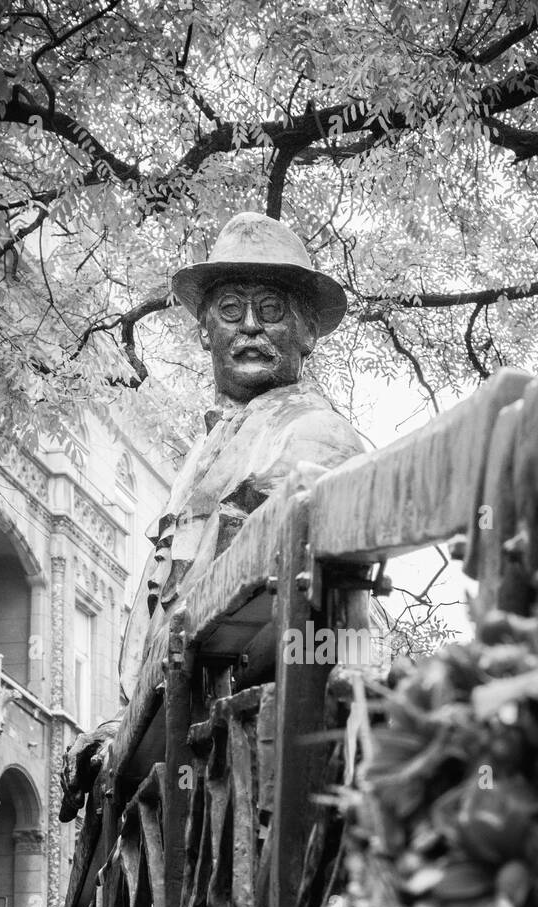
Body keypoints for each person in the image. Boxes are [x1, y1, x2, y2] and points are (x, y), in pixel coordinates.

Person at [59, 212, 366, 820]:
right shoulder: (200, 459)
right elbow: (167, 610)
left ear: (306, 331)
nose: (250, 326)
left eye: (271, 308)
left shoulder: (316, 436)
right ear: (205, 332)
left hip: (266, 749)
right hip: (189, 762)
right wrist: (119, 728)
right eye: (230, 309)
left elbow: (287, 592)